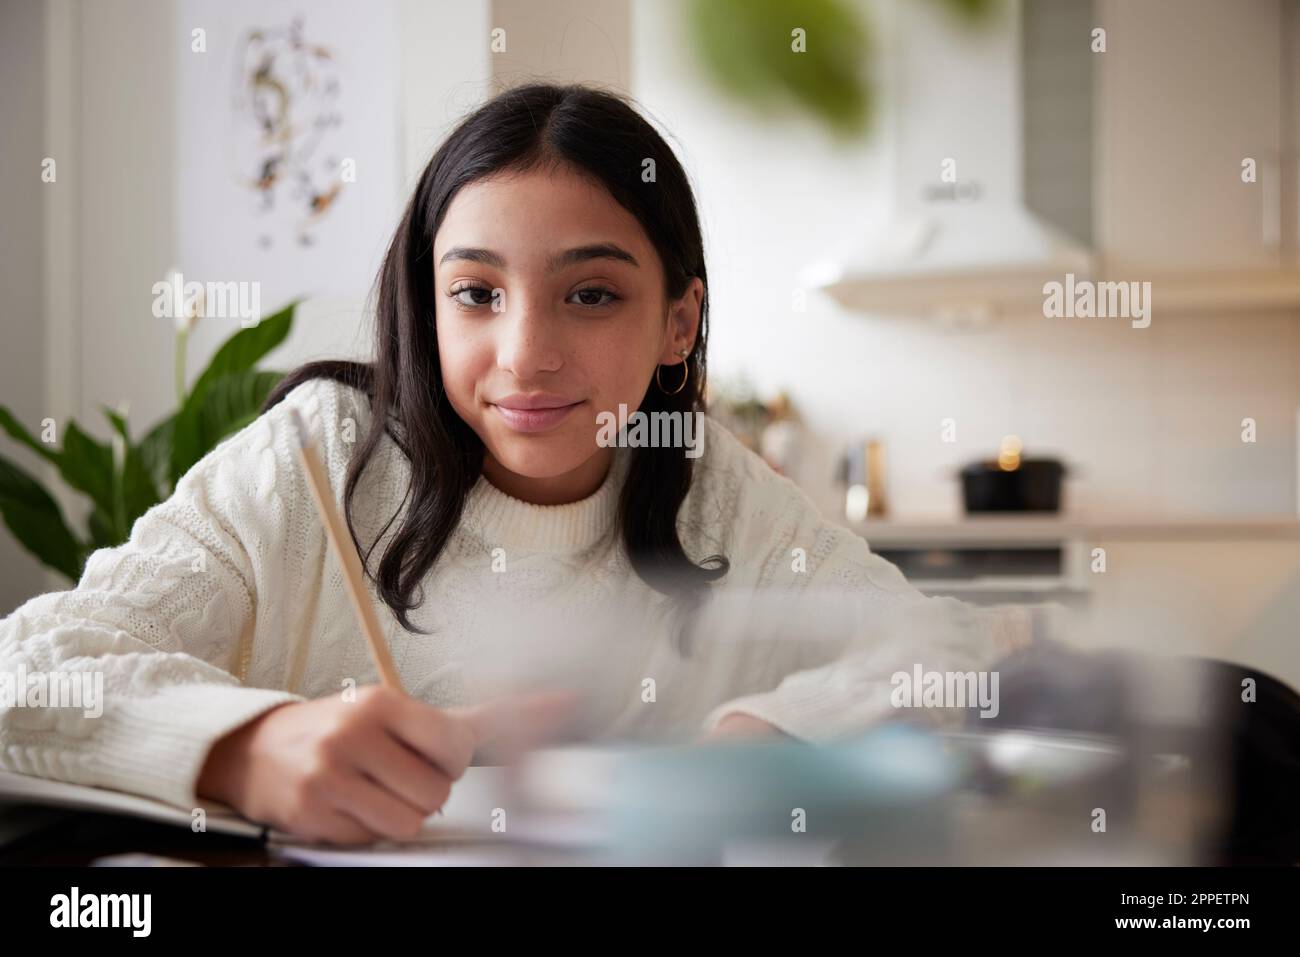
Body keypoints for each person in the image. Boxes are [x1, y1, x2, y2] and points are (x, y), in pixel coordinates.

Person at [0, 84, 1031, 845]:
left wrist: (767, 735)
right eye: (477, 293)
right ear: (427, 305)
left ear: (679, 322)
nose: (526, 354)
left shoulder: (710, 487)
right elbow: (27, 672)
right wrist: (246, 746)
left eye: (590, 294)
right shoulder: (315, 454)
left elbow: (949, 642)